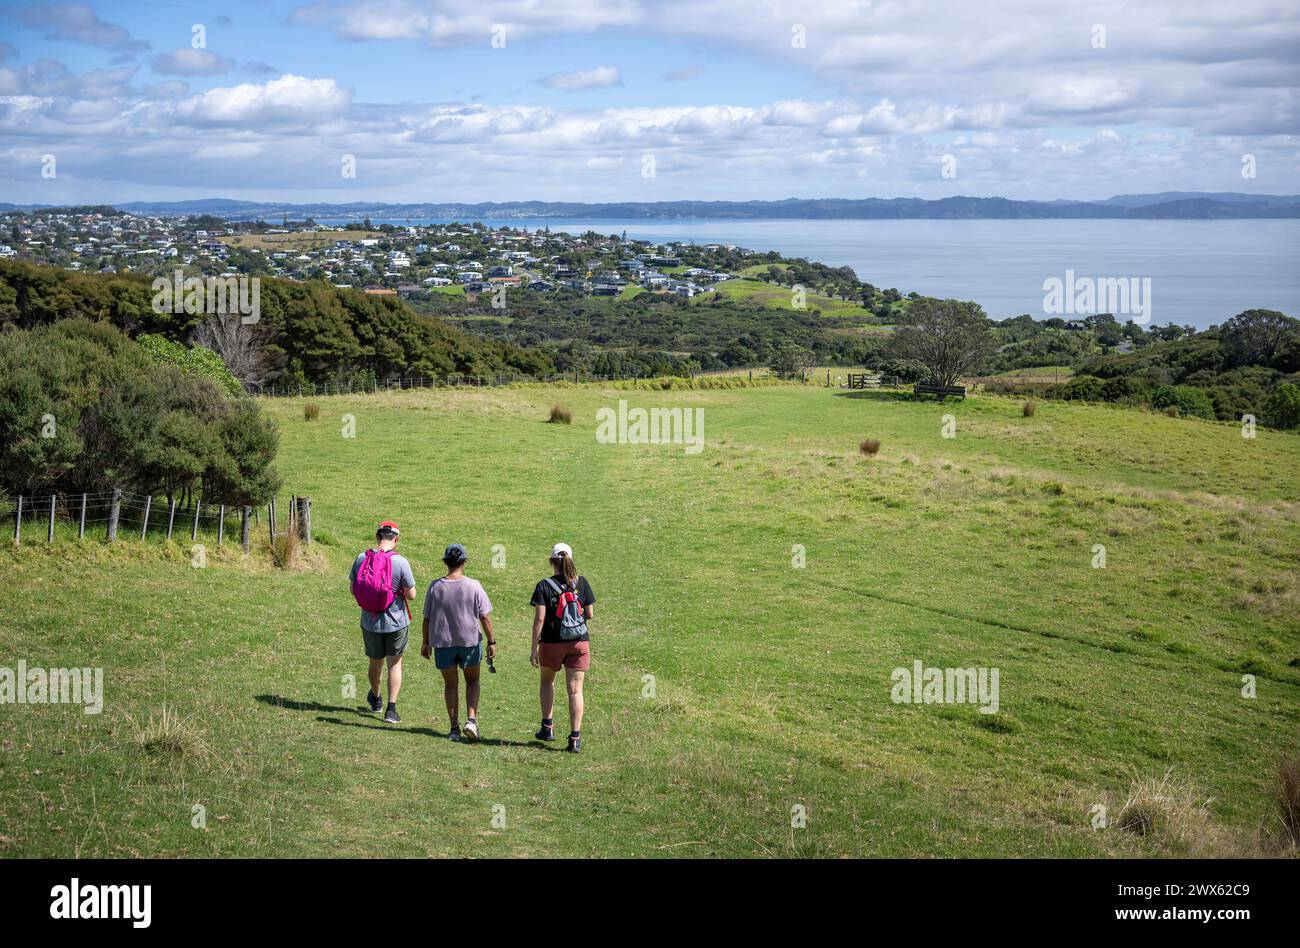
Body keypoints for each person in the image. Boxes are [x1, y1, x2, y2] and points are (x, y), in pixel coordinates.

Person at [420, 543, 496, 742]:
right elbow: (485, 617)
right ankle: (471, 721)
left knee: (450, 684)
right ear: (464, 562)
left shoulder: (435, 586)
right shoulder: (474, 585)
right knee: (472, 681)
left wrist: (426, 642)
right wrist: (491, 641)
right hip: (469, 642)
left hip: (443, 643)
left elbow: (426, 618)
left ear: (446, 562)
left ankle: (453, 729)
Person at [530, 543, 595, 753]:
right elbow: (590, 614)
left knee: (547, 681)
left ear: (551, 562)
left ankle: (547, 727)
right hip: (579, 642)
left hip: (551, 643)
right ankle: (575, 738)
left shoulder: (544, 586)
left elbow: (540, 618)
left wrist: (533, 648)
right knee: (576, 691)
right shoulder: (582, 583)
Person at [349, 520, 415, 724]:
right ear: (396, 539)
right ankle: (391, 710)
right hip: (396, 623)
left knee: (374, 662)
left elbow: (353, 589)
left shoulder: (362, 558)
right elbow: (411, 595)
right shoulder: (401, 562)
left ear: (377, 537)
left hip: (370, 622)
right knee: (394, 664)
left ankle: (376, 699)